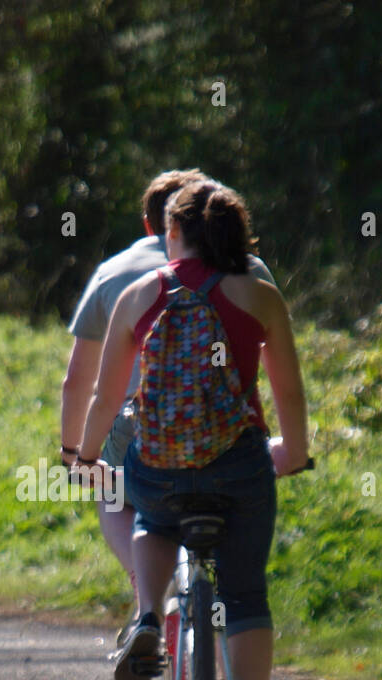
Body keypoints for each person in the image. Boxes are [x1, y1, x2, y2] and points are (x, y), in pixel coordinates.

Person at [73, 180, 310, 680]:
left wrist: (86, 457)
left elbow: (105, 395)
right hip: (238, 462)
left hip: (159, 462)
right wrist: (297, 452)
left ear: (170, 233)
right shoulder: (259, 296)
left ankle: (149, 614)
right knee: (246, 595)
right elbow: (287, 391)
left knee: (151, 514)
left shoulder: (138, 294)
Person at [59, 170, 277, 648]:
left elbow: (82, 382)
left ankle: (148, 602)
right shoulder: (251, 272)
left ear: (153, 224)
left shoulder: (116, 274)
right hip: (230, 439)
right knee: (243, 590)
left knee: (119, 492)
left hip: (142, 434)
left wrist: (75, 454)